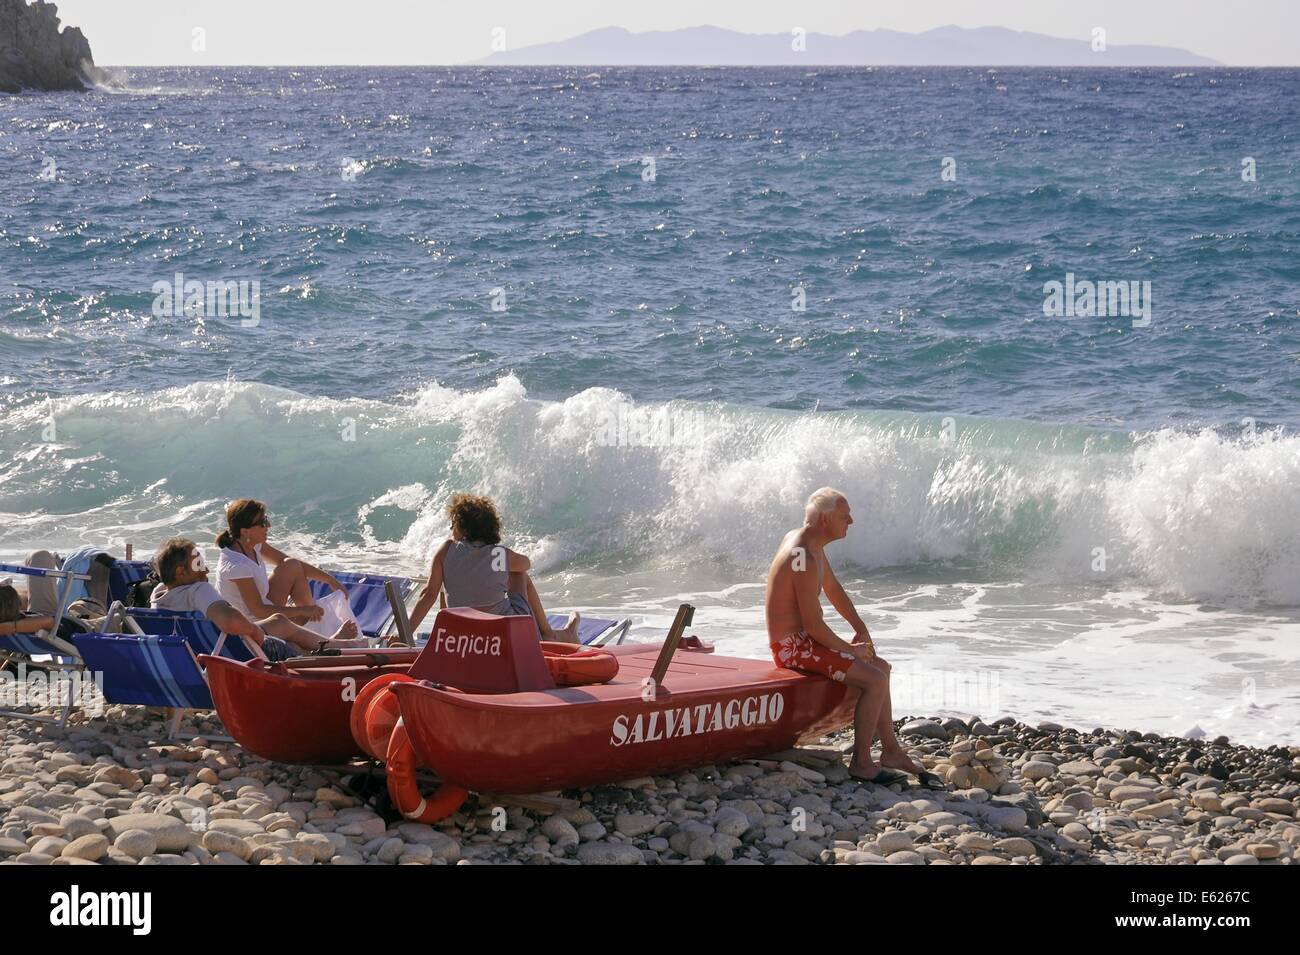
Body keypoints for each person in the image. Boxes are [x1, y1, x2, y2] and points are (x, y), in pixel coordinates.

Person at [765, 487, 939, 788]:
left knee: (881, 668)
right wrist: (850, 650)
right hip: (792, 647)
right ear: (824, 520)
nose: (852, 522)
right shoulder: (802, 556)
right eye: (845, 517)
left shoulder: (813, 546)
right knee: (874, 679)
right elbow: (813, 626)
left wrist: (860, 627)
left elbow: (833, 591)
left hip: (806, 641)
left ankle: (891, 751)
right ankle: (861, 764)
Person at [406, 492, 580, 642]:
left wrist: (404, 635)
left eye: (453, 524)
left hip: (461, 631)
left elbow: (428, 595)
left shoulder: (446, 550)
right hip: (504, 630)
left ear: (461, 528)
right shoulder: (497, 555)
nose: (452, 529)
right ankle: (549, 634)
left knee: (446, 585)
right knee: (519, 575)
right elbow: (526, 563)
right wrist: (499, 568)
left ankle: (558, 633)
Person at [151, 537, 358, 660]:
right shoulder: (199, 590)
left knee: (278, 622)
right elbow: (229, 620)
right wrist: (253, 631)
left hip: (198, 655)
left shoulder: (158, 595)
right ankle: (337, 647)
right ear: (180, 572)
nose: (205, 570)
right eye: (198, 565)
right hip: (236, 655)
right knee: (281, 629)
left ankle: (330, 643)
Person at [213, 499, 344, 630]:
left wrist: (330, 580)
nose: (268, 526)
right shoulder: (237, 566)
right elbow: (258, 611)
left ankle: (313, 623)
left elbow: (292, 563)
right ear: (245, 531)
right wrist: (303, 610)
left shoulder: (252, 545)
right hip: (253, 626)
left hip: (264, 612)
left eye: (266, 519)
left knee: (291, 565)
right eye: (263, 523)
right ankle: (316, 629)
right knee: (303, 613)